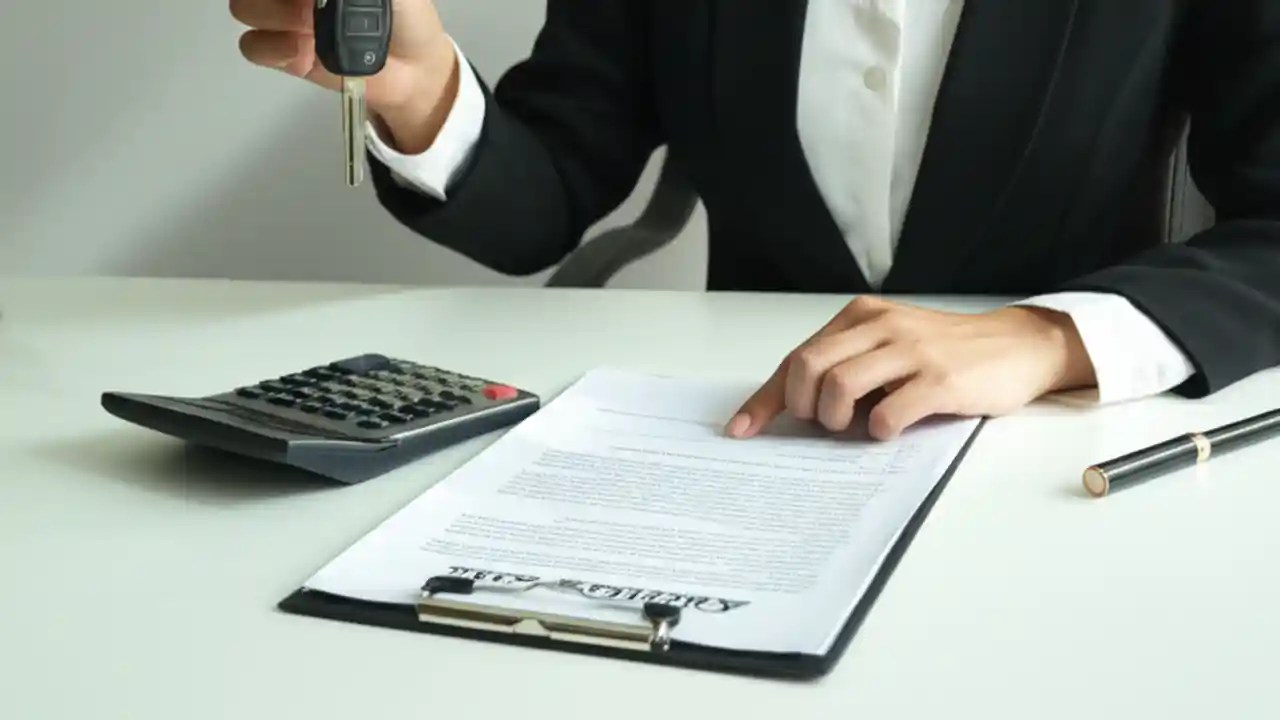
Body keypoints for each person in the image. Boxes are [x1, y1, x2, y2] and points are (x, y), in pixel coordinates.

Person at [231, 0, 1280, 441]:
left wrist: (1046, 337)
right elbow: (545, 194)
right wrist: (421, 90)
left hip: (1072, 454)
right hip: (751, 440)